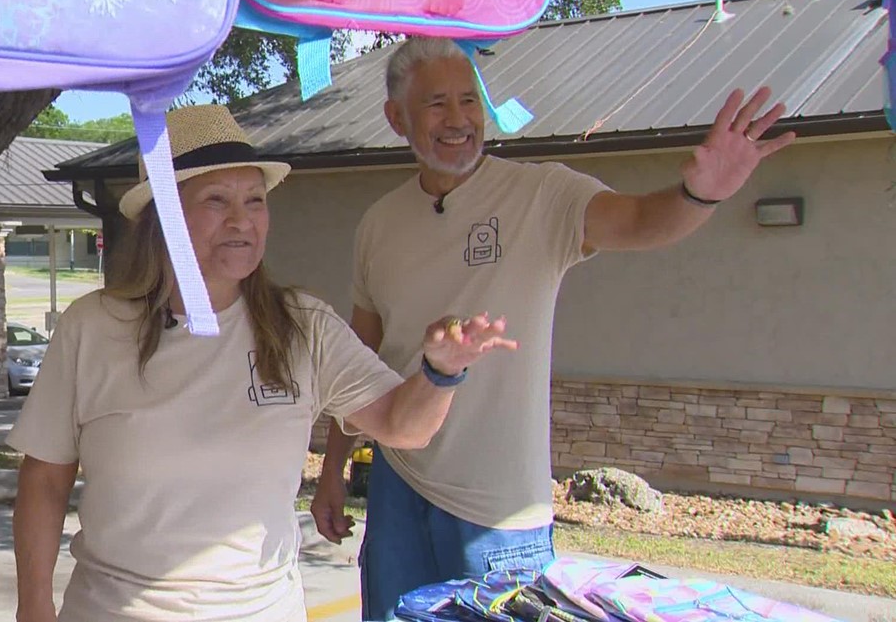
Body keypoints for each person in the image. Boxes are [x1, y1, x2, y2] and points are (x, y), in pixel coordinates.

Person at [308, 37, 797, 621]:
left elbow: (641, 219)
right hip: (398, 485)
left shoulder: (541, 194)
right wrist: (332, 470)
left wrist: (701, 193)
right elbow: (361, 359)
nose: (459, 120)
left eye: (469, 101)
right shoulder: (379, 223)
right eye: (437, 104)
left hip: (499, 513)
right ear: (397, 118)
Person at [6, 104, 520, 622]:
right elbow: (44, 480)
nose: (242, 219)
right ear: (164, 216)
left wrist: (441, 372)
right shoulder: (92, 327)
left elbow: (404, 427)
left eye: (255, 200)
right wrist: (34, 606)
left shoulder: (304, 326)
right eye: (217, 200)